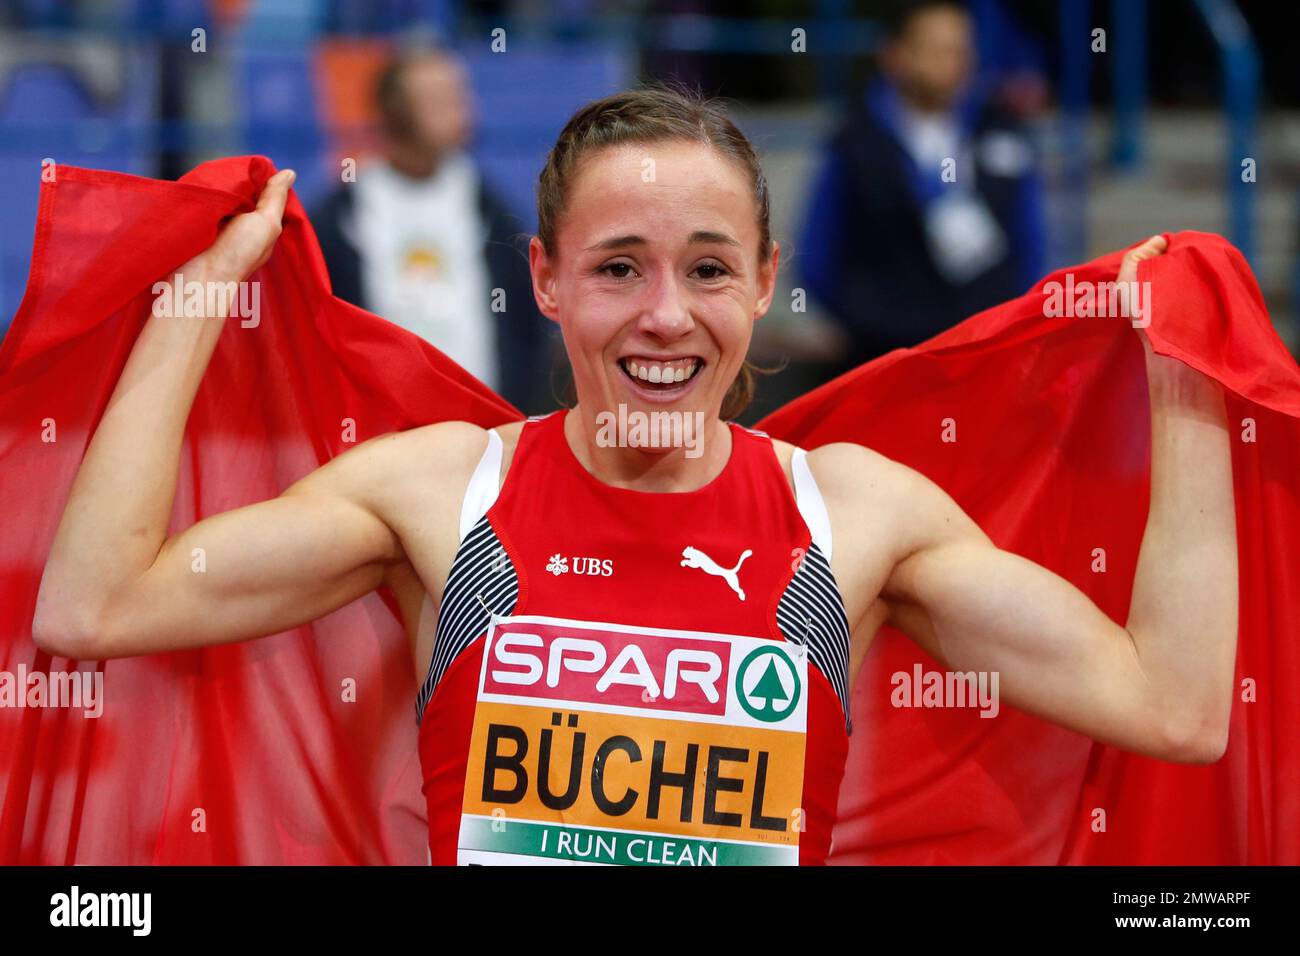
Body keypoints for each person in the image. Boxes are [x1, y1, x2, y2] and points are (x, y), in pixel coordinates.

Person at [32, 87, 1237, 867]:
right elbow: (93, 604)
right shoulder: (437, 496)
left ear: (764, 281)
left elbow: (1173, 708)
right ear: (545, 280)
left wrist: (1187, 372)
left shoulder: (856, 515)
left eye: (707, 269)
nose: (665, 317)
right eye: (618, 268)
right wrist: (206, 286)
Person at [799, 0, 1047, 367]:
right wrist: (864, 322)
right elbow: (817, 254)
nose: (954, 63)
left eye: (961, 49)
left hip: (983, 356)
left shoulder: (1001, 131)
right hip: (880, 360)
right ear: (895, 55)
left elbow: (1032, 242)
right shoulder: (855, 142)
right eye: (938, 49)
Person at [312, 44, 553, 413]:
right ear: (395, 113)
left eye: (459, 96)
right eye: (442, 100)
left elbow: (527, 325)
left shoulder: (490, 208)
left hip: (484, 421)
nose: (466, 110)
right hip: (383, 426)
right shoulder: (341, 217)